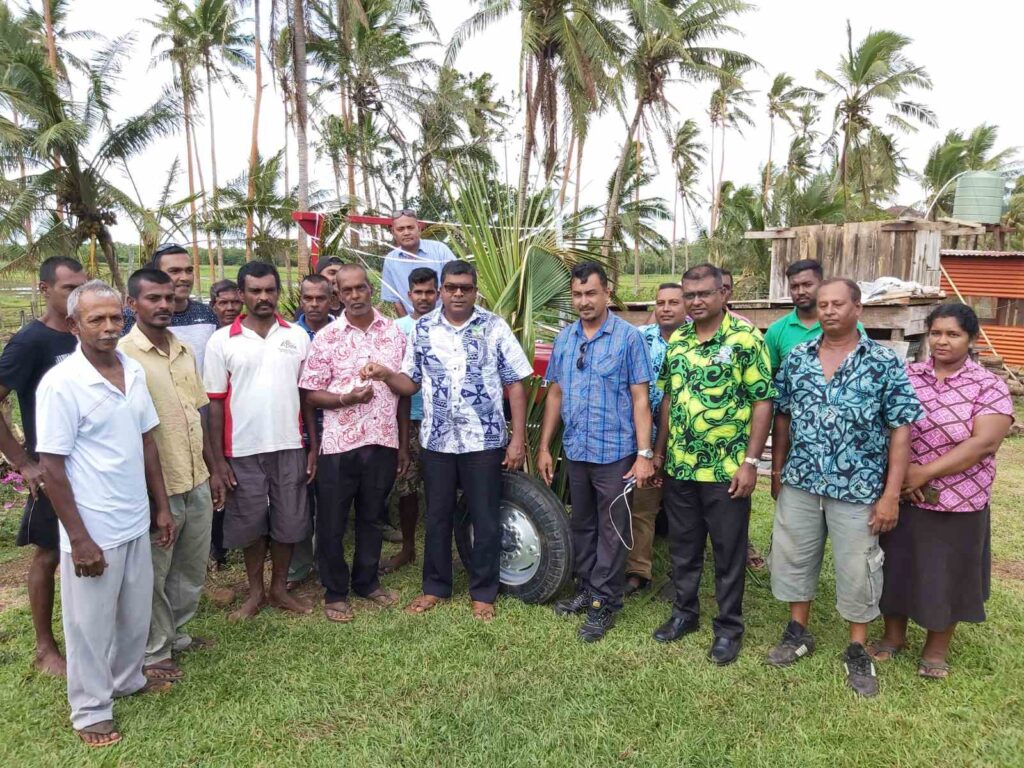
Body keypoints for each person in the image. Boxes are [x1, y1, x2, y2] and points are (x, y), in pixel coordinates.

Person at [36, 280, 176, 747]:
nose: (109, 327)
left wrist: (160, 508)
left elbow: (147, 442)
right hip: (93, 526)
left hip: (135, 516)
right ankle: (91, 710)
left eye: (116, 317)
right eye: (97, 319)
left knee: (133, 616)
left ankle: (127, 680)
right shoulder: (61, 384)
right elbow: (52, 468)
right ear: (75, 324)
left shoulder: (132, 371)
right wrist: (78, 539)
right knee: (89, 626)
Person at [767, 278, 923, 697]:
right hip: (801, 480)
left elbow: (901, 429)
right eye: (822, 304)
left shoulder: (882, 362)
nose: (829, 311)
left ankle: (857, 647)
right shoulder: (797, 358)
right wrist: (777, 470)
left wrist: (891, 494)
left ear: (858, 308)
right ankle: (798, 631)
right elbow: (781, 416)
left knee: (858, 567)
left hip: (858, 487)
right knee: (794, 555)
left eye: (838, 303)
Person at [363, 260, 532, 622]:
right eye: (451, 287)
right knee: (437, 517)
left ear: (475, 290)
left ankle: (483, 592)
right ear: (441, 290)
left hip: (483, 440)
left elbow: (515, 382)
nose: (458, 293)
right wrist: (386, 375)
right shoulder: (422, 329)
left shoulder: (493, 327)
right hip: (438, 442)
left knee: (485, 518)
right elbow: (411, 383)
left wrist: (518, 438)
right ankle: (435, 587)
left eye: (465, 288)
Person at [869, 304, 1013, 680]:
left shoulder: (988, 385)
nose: (943, 341)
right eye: (936, 333)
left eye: (953, 334)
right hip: (904, 492)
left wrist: (924, 474)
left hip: (959, 499)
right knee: (896, 566)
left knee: (946, 574)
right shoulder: (907, 375)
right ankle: (893, 637)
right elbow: (883, 424)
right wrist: (901, 478)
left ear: (970, 338)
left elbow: (984, 442)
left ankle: (935, 650)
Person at [651, 264, 774, 664]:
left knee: (727, 551)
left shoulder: (745, 339)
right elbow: (669, 397)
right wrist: (660, 450)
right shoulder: (679, 340)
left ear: (722, 293)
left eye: (703, 293)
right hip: (682, 467)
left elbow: (762, 401)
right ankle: (684, 613)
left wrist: (751, 462)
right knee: (684, 547)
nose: (696, 301)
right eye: (689, 295)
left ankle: (728, 628)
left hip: (727, 470)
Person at [537, 262, 655, 642]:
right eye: (577, 294)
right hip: (577, 449)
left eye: (591, 293)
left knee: (612, 528)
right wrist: (544, 446)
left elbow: (641, 399)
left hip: (616, 452)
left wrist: (643, 454)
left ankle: (605, 602)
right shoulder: (565, 339)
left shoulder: (628, 339)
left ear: (607, 293)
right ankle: (588, 589)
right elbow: (555, 392)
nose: (583, 301)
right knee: (582, 523)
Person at [119, 268, 225, 682]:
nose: (164, 305)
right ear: (133, 305)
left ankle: (177, 633)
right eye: (152, 298)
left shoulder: (182, 348)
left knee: (191, 565)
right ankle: (154, 651)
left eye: (168, 297)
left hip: (195, 475)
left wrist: (215, 469)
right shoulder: (124, 357)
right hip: (156, 483)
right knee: (153, 571)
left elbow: (199, 411)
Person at [204, 261, 318, 620]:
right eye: (255, 290)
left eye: (270, 290)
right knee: (251, 523)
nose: (263, 297)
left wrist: (312, 446)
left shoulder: (297, 336)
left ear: (279, 292)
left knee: (289, 520)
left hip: (289, 445)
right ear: (241, 294)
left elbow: (307, 397)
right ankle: (254, 593)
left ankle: (279, 588)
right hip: (241, 450)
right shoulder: (222, 341)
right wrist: (218, 462)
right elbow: (214, 404)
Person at [300, 264, 409, 622]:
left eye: (360, 288)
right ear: (338, 296)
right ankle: (335, 591)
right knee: (332, 520)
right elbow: (312, 394)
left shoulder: (393, 333)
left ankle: (367, 581)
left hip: (382, 440)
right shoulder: (327, 337)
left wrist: (404, 445)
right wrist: (347, 400)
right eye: (346, 291)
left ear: (370, 290)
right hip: (338, 445)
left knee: (373, 517)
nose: (355, 296)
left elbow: (406, 392)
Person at [1, 256, 85, 676]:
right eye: (69, 288)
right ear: (44, 289)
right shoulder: (30, 342)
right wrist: (21, 461)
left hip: (92, 467)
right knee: (49, 554)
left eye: (82, 288)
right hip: (53, 468)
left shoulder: (87, 333)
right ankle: (44, 646)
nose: (76, 296)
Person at [624, 283, 687, 596]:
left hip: (687, 441)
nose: (666, 308)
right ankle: (638, 570)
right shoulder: (639, 338)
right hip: (647, 437)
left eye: (673, 302)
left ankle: (682, 575)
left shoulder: (697, 339)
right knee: (643, 506)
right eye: (661, 302)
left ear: (685, 305)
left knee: (683, 510)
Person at [382, 266, 439, 573]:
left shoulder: (447, 326)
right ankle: (407, 548)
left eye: (430, 291)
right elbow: (395, 377)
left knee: (441, 489)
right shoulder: (397, 328)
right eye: (418, 292)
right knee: (407, 487)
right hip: (408, 419)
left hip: (441, 419)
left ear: (438, 293)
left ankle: (440, 547)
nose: (424, 298)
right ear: (409, 295)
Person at [287, 274, 336, 589]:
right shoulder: (288, 335)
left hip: (337, 430)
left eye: (321, 298)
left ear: (332, 299)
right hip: (297, 430)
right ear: (301, 299)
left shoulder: (343, 331)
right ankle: (300, 566)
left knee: (332, 501)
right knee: (300, 501)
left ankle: (328, 563)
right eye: (309, 298)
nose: (315, 304)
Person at [123, 243, 219, 373]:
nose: (184, 278)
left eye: (189, 270)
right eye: (175, 271)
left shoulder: (207, 314)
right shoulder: (131, 316)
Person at [380, 208, 456, 317]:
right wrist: (409, 327)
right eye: (401, 229)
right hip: (412, 323)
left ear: (419, 229)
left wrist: (448, 321)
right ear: (393, 232)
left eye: (410, 228)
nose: (406, 232)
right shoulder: (390, 260)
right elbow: (395, 300)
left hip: (444, 319)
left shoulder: (440, 250)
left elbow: (455, 285)